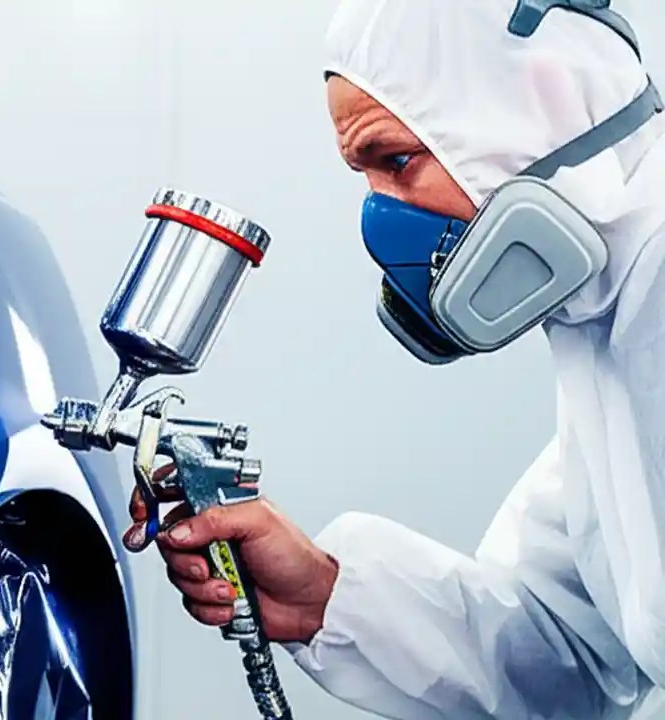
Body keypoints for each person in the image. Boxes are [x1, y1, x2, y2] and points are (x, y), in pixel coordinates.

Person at [128, 0, 665, 717]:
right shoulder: (603, 335)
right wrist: (322, 595)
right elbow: (568, 650)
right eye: (367, 177)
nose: (384, 217)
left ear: (540, 103)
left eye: (397, 162)